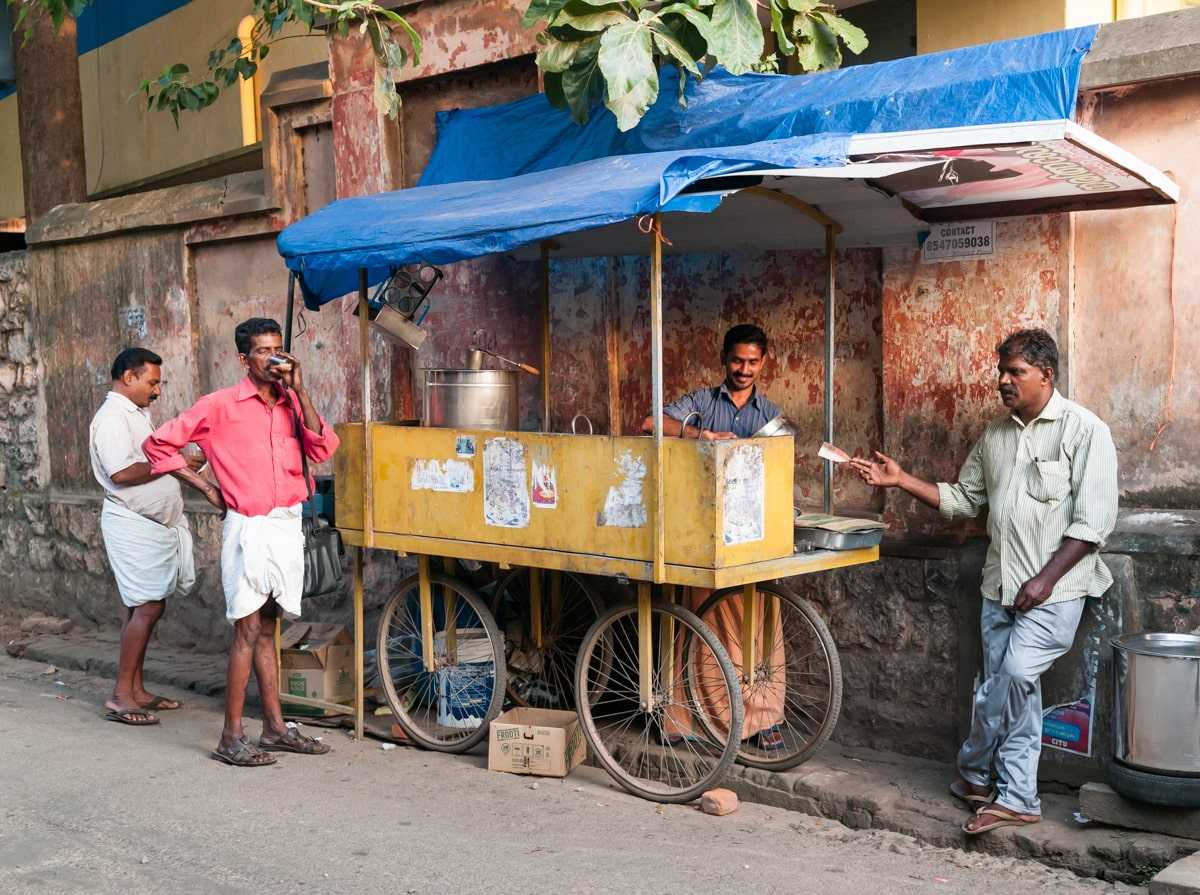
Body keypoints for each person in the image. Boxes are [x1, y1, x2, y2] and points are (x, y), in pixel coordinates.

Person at [850, 328, 1118, 835]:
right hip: (999, 588)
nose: (1003, 382)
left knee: (1013, 677)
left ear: (1047, 375)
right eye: (1002, 372)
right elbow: (965, 499)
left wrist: (1044, 580)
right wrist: (901, 480)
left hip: (1056, 590)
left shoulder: (1085, 432)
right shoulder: (996, 436)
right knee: (1017, 690)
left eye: (1015, 372)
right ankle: (1011, 794)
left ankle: (974, 767)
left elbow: (1093, 523)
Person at [144, 318, 340, 767]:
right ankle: (230, 736)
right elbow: (158, 446)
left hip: (287, 524)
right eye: (263, 352)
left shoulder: (292, 402)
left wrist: (302, 390)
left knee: (270, 628)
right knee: (247, 630)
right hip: (248, 526)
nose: (274, 360)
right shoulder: (219, 406)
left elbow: (322, 449)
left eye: (279, 351)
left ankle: (273, 728)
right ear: (243, 359)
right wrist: (207, 488)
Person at [646, 324, 787, 749]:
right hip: (702, 533)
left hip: (752, 536)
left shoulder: (769, 414)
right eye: (737, 361)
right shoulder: (701, 403)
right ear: (724, 358)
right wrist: (703, 435)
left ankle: (762, 718)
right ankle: (684, 720)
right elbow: (651, 422)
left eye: (752, 362)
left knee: (757, 623)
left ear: (764, 362)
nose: (744, 370)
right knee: (696, 619)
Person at [90, 347, 206, 726]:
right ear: (129, 377)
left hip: (150, 525)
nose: (156, 391)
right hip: (131, 524)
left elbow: (153, 464)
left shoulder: (136, 415)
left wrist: (180, 463)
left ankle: (135, 690)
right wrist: (169, 463)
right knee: (147, 607)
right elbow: (122, 473)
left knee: (140, 607)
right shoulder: (111, 418)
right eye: (151, 382)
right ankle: (122, 695)